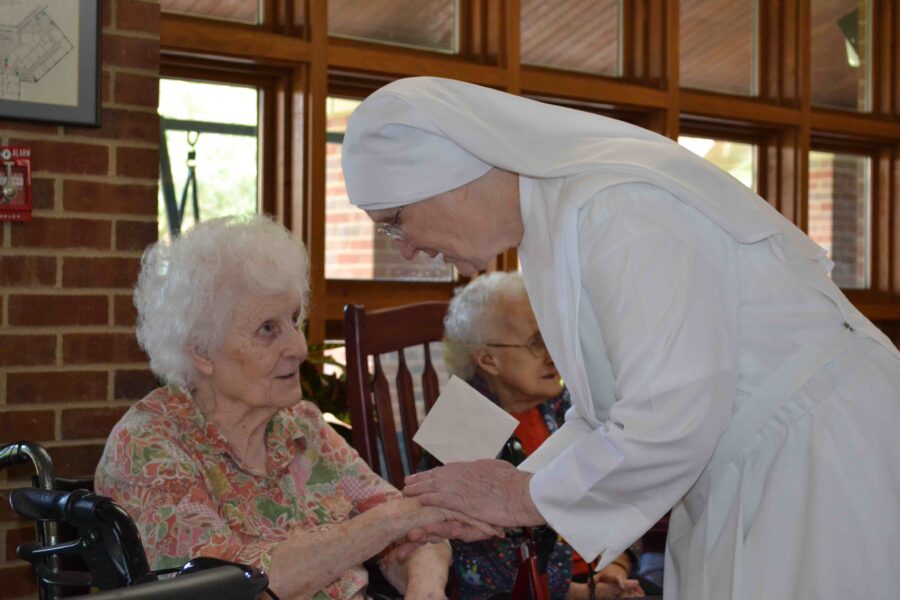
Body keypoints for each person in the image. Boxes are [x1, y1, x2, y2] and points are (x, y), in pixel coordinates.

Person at [339, 77, 900, 600]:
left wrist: (518, 497)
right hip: (751, 461)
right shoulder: (553, 226)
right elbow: (607, 413)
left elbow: (671, 414)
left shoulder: (619, 207)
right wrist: (509, 494)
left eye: (393, 221)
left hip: (817, 459)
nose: (403, 249)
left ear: (445, 174)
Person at [95, 216, 485, 600]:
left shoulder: (300, 427)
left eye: (295, 319)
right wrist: (392, 520)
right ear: (201, 350)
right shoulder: (150, 445)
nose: (298, 348)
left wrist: (425, 586)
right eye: (268, 328)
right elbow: (236, 587)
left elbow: (412, 537)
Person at [438, 271, 644, 600]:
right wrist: (581, 594)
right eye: (537, 342)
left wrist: (614, 567)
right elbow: (476, 564)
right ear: (488, 360)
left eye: (553, 337)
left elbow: (622, 489)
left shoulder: (568, 406)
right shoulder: (460, 425)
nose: (553, 355)